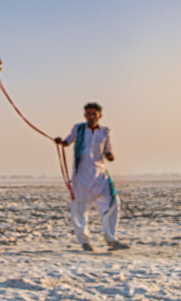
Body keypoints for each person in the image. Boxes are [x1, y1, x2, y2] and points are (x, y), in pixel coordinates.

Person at [54, 102, 129, 251]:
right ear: (85, 115)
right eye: (88, 114)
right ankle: (84, 241)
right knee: (79, 209)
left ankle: (111, 240)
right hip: (81, 176)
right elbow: (67, 142)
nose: (91, 117)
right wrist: (60, 142)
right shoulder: (78, 129)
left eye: (94, 114)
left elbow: (108, 150)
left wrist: (110, 155)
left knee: (112, 204)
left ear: (100, 115)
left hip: (100, 175)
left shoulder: (105, 131)